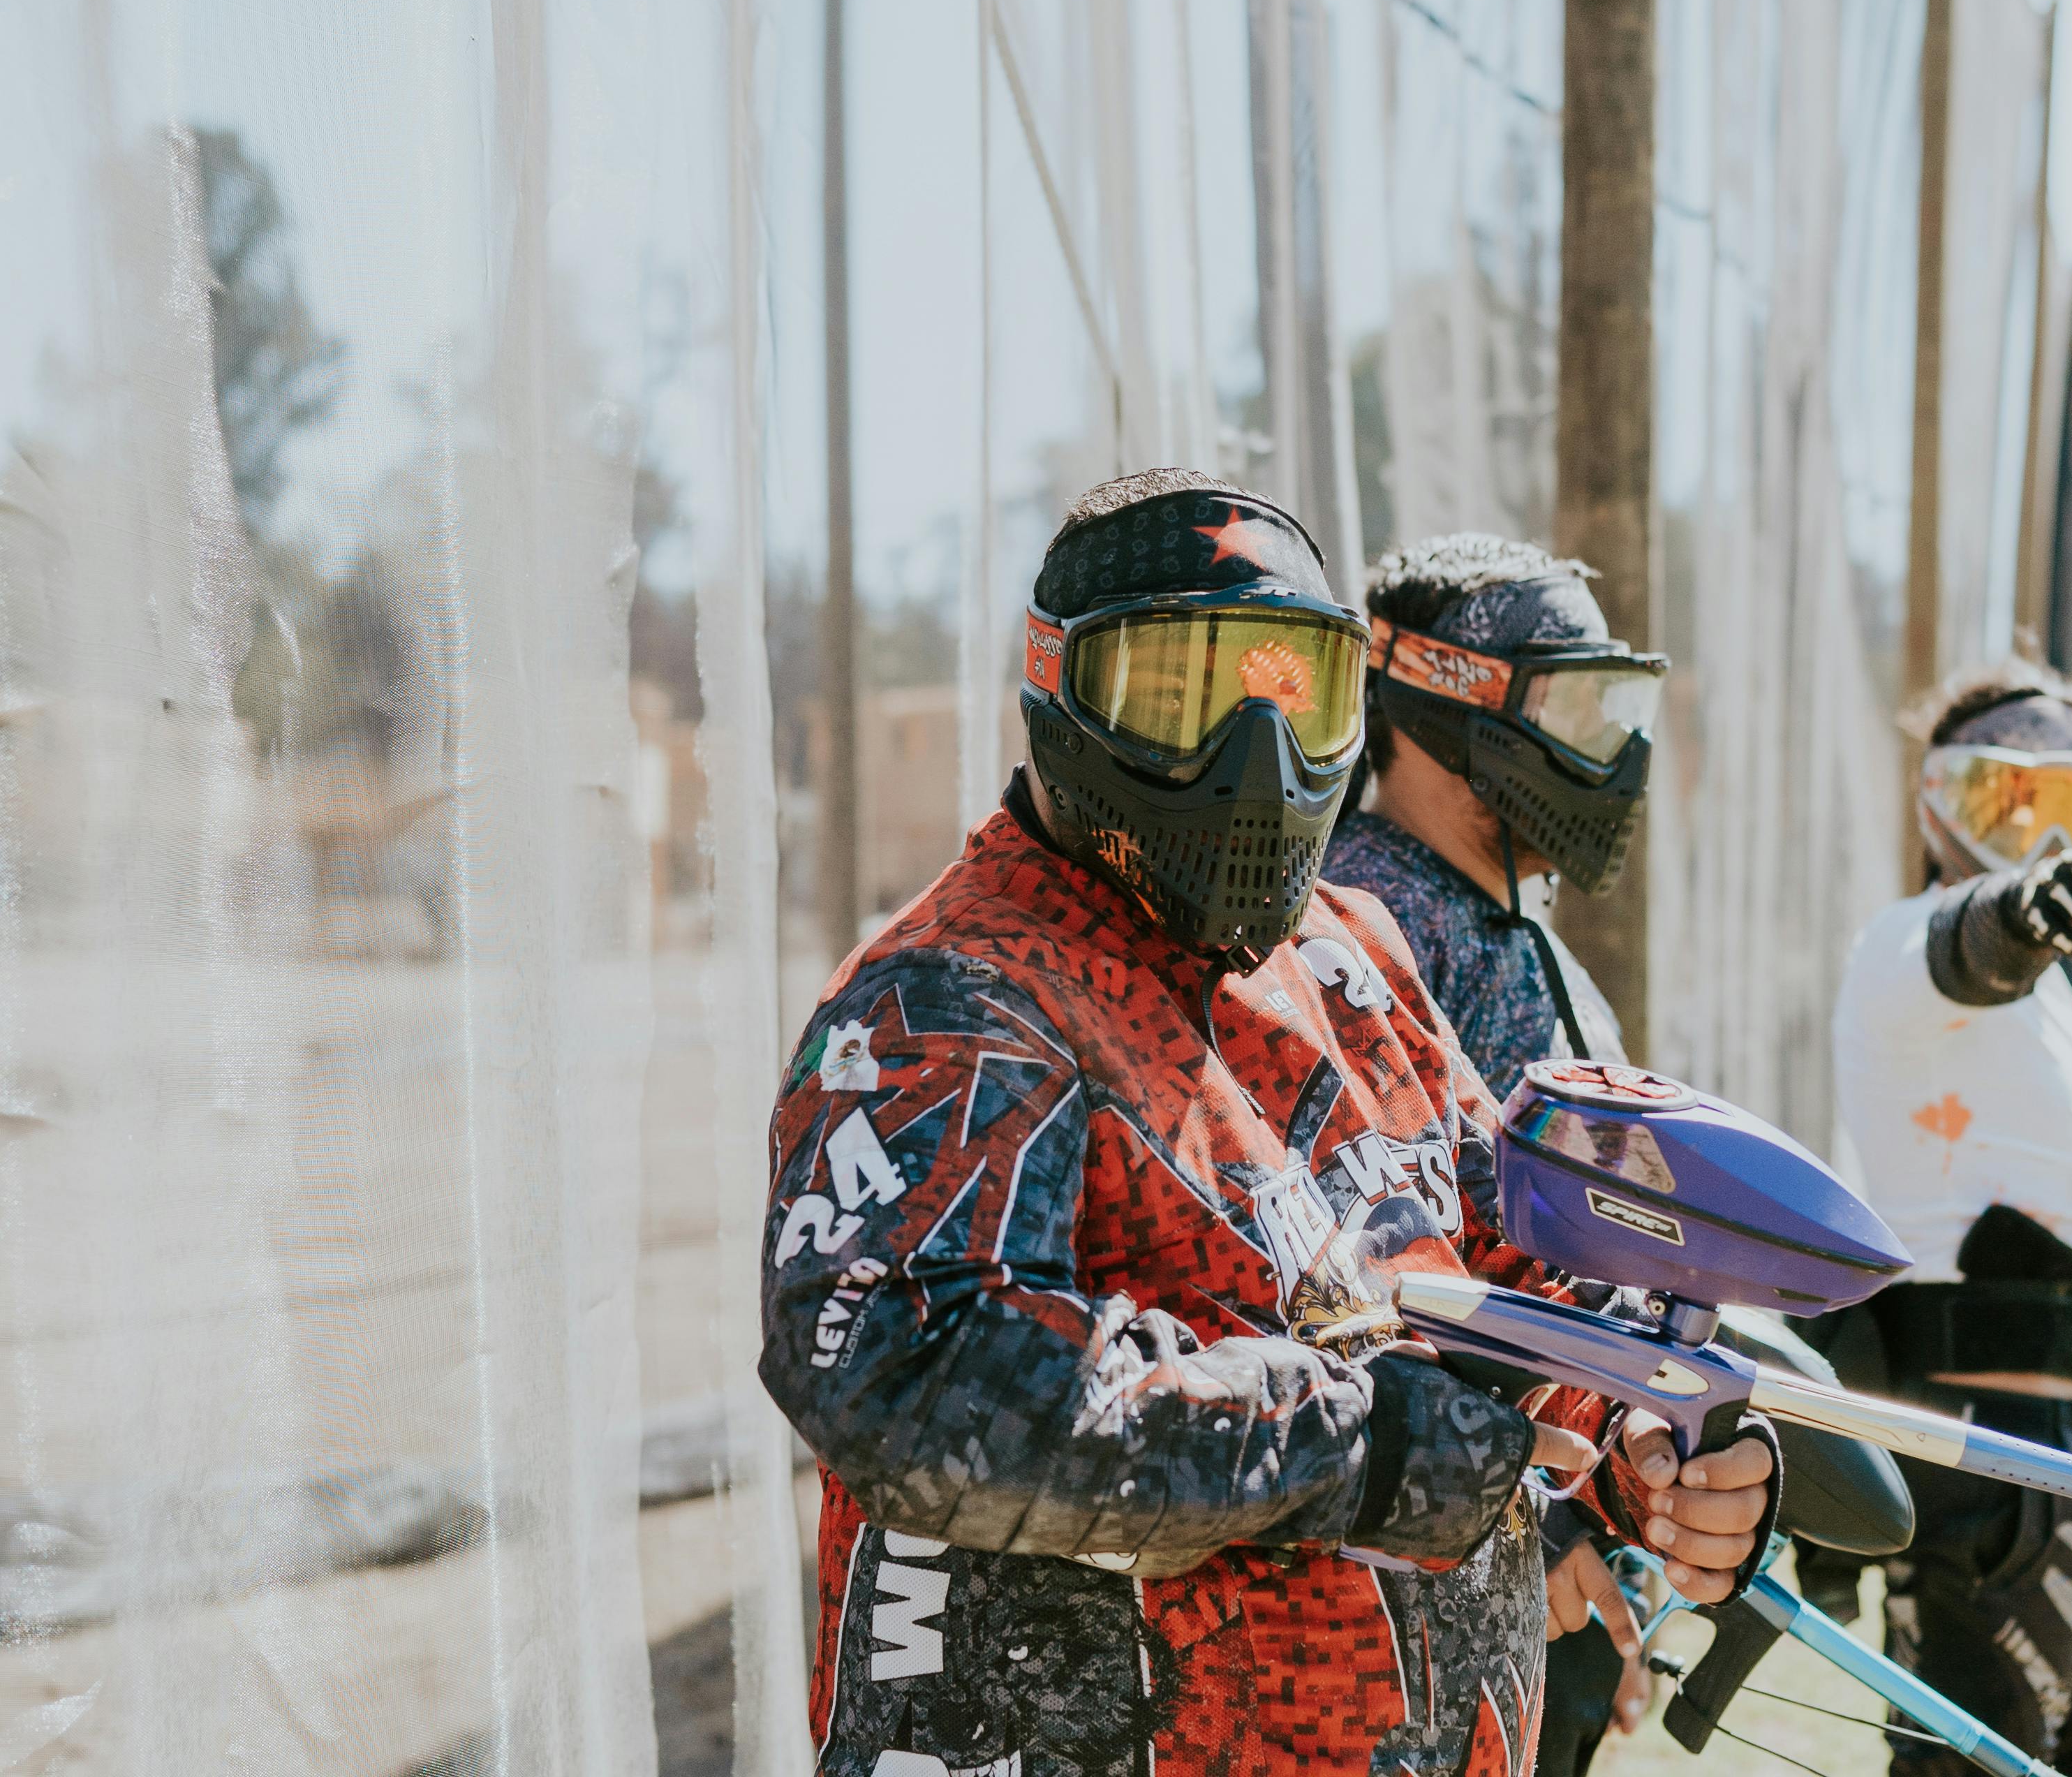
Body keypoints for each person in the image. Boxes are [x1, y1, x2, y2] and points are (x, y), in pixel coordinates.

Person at [760, 470, 1778, 1777]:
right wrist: (1351, 1442)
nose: (1254, 763)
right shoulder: (954, 994)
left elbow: (1511, 1266)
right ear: (1056, 692)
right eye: (1179, 698)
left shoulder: (1350, 954)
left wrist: (1644, 1445)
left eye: (1296, 697)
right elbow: (902, 1372)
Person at [1319, 535, 1665, 1771]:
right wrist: (1539, 1503)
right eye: (1571, 707)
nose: (1611, 753)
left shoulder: (1510, 924)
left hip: (1555, 1520)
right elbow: (1357, 1269)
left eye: (1617, 708)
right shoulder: (1372, 924)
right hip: (1452, 1541)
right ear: (1441, 708)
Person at [1823, 657, 2072, 1777]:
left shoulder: (2052, 1007)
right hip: (1986, 1473)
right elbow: (1974, 943)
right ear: (1939, 802)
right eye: (2004, 802)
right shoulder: (1904, 946)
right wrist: (2026, 911)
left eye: (2067, 808)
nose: (2035, 841)